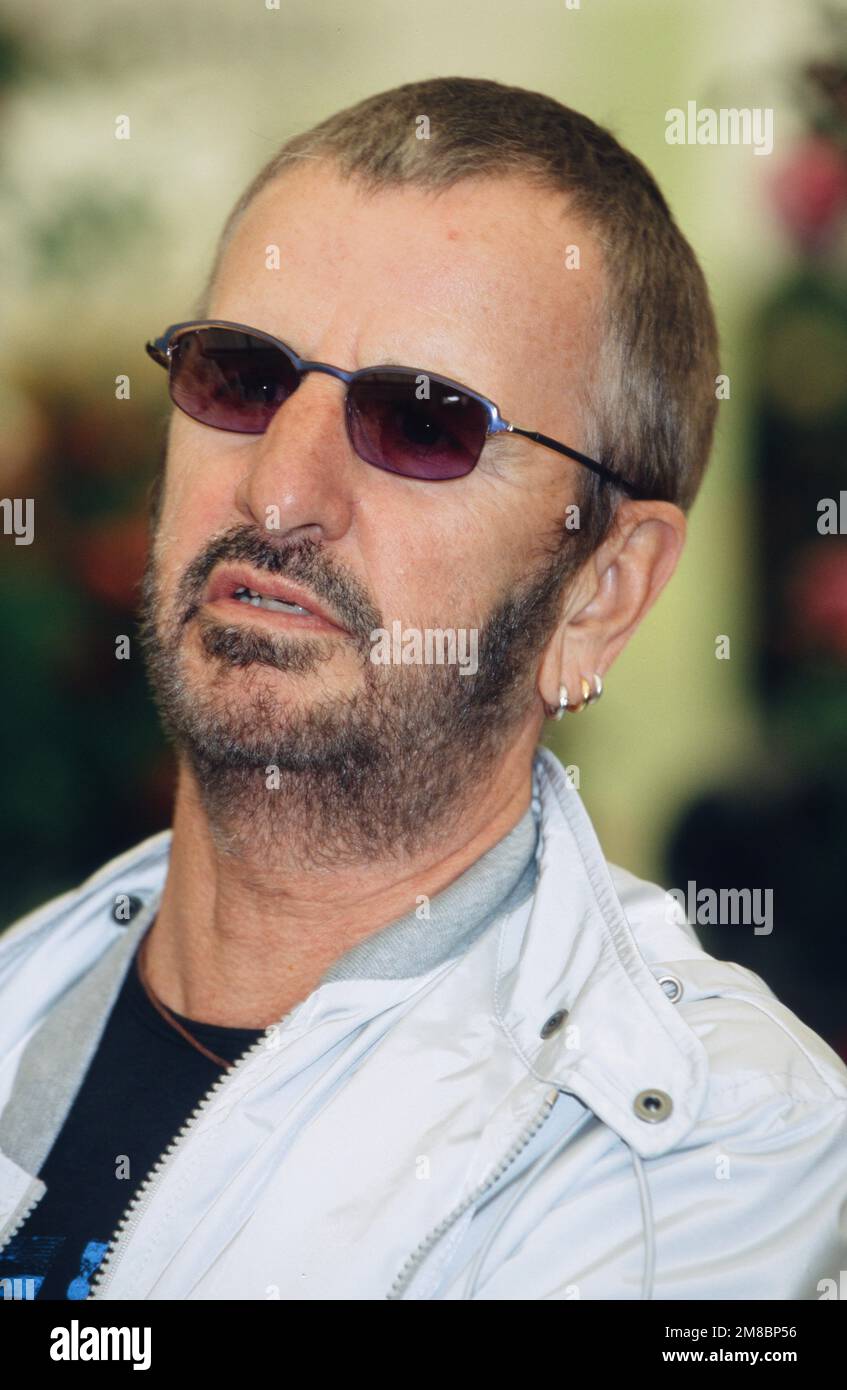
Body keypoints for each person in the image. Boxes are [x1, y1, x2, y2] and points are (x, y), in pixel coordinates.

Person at [0, 75, 844, 1303]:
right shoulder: (24, 998)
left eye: (421, 421)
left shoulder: (714, 1152)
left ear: (600, 592)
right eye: (241, 376)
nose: (278, 494)